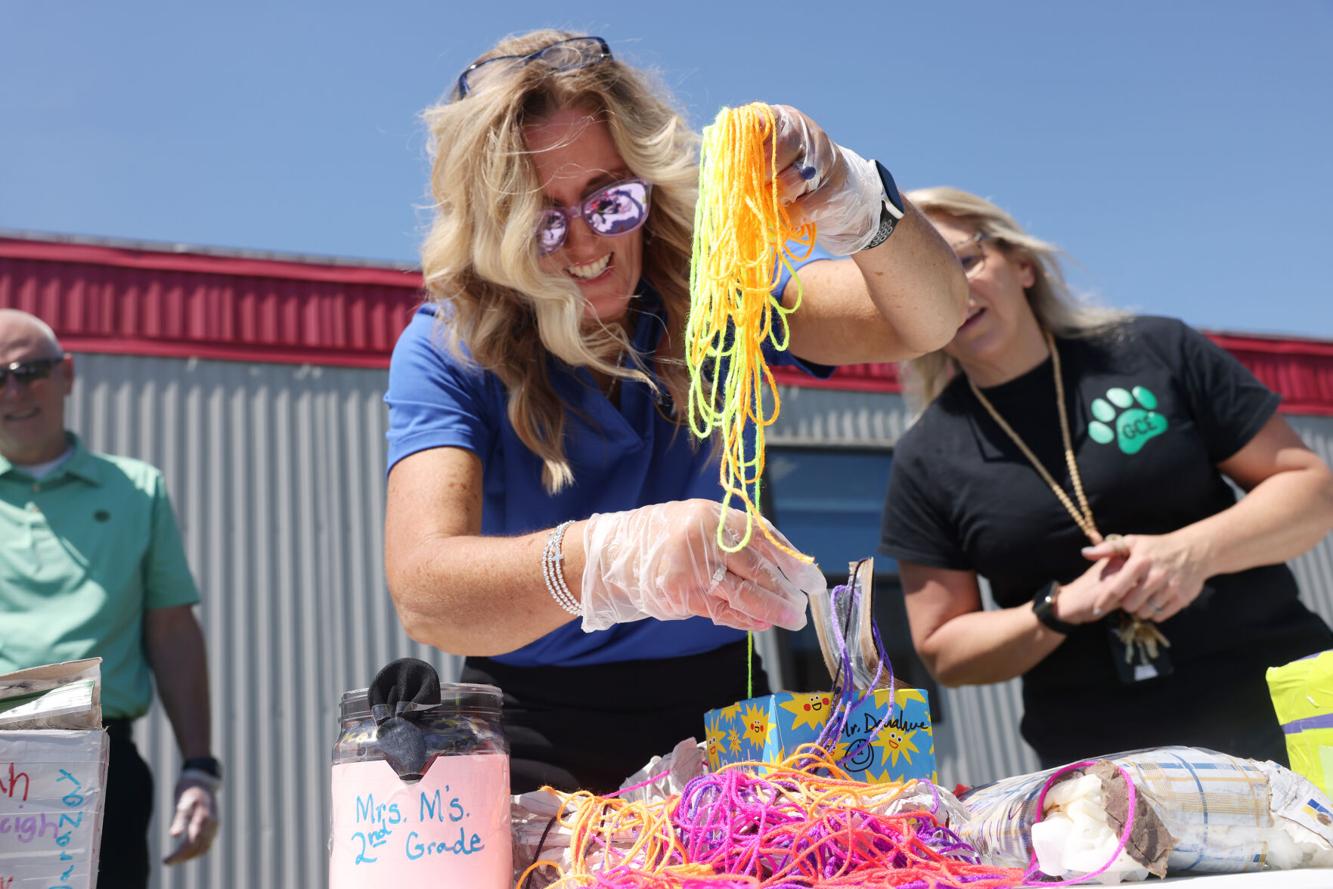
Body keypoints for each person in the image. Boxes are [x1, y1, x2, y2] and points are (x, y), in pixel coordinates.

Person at [383, 29, 968, 793]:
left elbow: (927, 318)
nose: (585, 241)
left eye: (610, 199)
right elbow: (425, 591)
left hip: (724, 703)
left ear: (650, 181)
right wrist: (603, 559)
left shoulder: (709, 293)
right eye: (542, 220)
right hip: (531, 722)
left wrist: (854, 198)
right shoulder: (447, 348)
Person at [879, 187, 1333, 769]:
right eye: (923, 278)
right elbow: (945, 648)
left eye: (964, 260)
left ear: (1023, 265)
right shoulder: (925, 456)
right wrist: (1059, 608)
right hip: (1108, 769)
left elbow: (1310, 488)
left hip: (1289, 715)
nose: (953, 288)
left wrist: (1191, 553)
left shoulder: (1156, 351)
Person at [0, 309, 221, 886]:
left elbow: (172, 631)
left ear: (67, 373)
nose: (13, 390)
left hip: (99, 765)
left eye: (30, 371)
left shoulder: (137, 489)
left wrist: (199, 768)